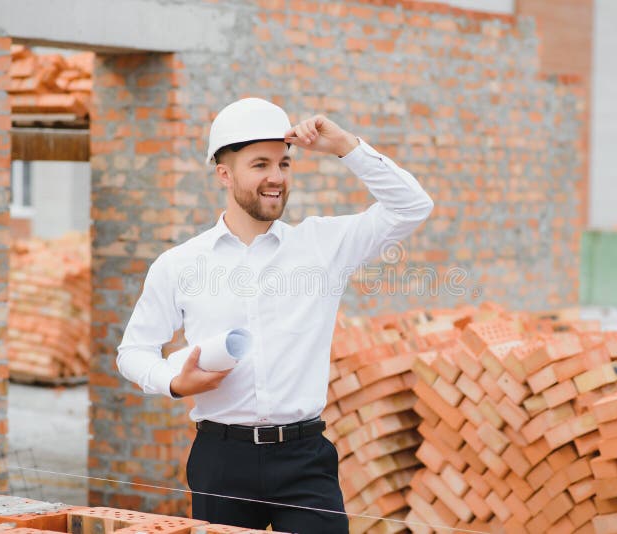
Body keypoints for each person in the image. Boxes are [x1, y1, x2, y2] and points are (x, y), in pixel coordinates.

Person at [116, 97, 434, 533]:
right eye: (260, 164)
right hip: (221, 460)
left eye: (284, 164)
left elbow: (411, 206)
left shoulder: (321, 247)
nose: (276, 177)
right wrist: (173, 383)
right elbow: (133, 351)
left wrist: (345, 146)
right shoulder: (179, 264)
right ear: (224, 175)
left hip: (304, 460)